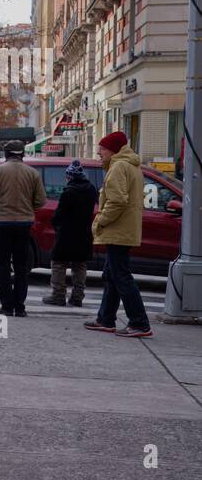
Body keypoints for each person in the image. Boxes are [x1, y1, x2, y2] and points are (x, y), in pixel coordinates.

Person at [85, 131, 152, 338]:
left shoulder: (118, 167)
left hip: (118, 230)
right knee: (112, 275)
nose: (99, 154)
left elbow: (117, 201)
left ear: (112, 150)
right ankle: (106, 318)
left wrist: (99, 220)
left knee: (121, 276)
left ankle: (139, 322)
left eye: (101, 150)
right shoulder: (132, 167)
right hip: (124, 229)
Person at [0, 140, 46, 317]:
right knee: (21, 266)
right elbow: (41, 200)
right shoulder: (33, 173)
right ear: (22, 154)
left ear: (7, 155)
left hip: (1, 223)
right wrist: (29, 209)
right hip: (24, 225)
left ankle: (6, 306)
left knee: (3, 265)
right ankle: (20, 306)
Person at [43, 160, 97, 307]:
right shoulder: (91, 189)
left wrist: (56, 225)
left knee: (58, 263)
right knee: (80, 265)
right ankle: (77, 297)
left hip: (66, 233)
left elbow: (59, 214)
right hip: (84, 233)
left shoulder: (69, 192)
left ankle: (58, 295)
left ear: (70, 176)